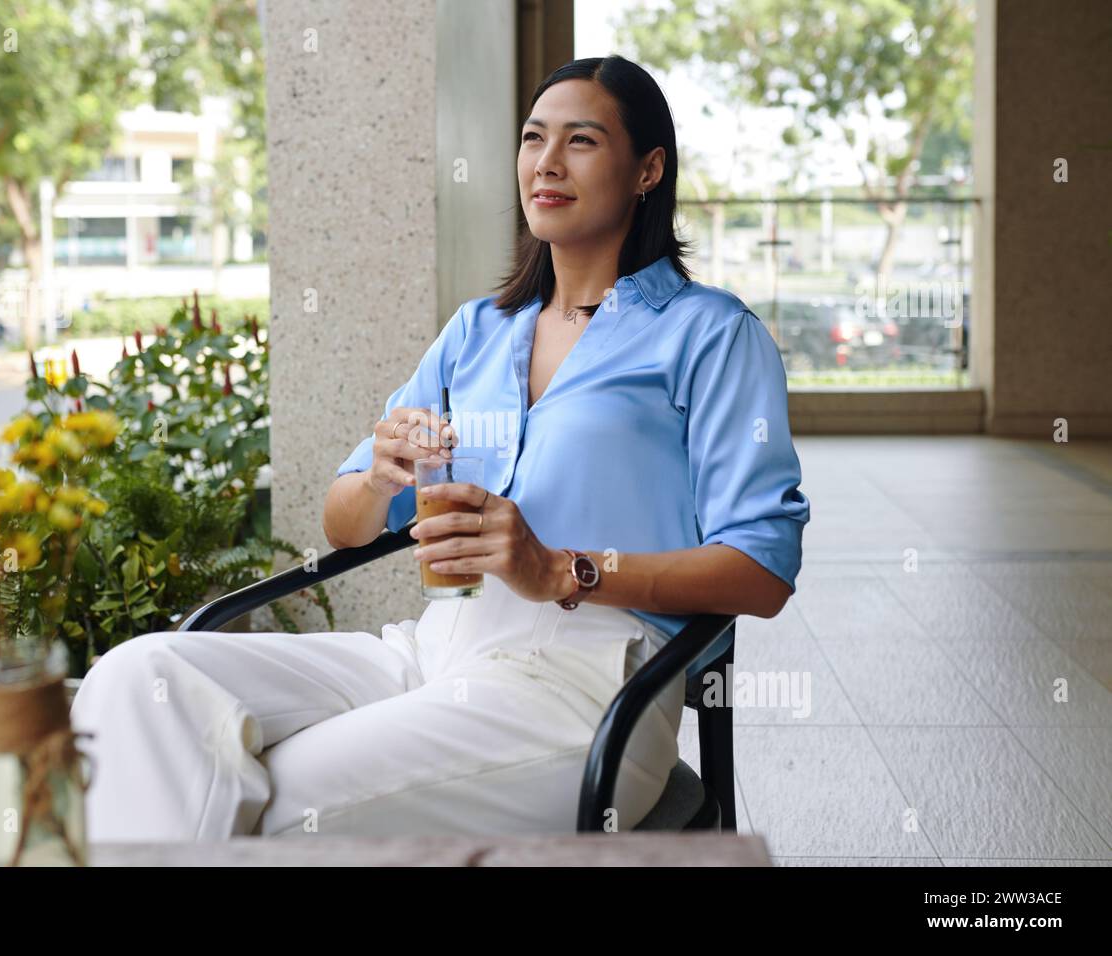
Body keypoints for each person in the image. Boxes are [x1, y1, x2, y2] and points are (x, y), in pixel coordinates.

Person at [70, 54, 810, 840]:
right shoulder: (478, 332)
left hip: (588, 681)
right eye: (533, 139)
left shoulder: (712, 336)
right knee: (132, 679)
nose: (546, 163)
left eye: (582, 141)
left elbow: (762, 572)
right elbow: (344, 523)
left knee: (279, 804)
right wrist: (375, 475)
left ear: (647, 169)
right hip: (435, 647)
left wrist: (562, 568)